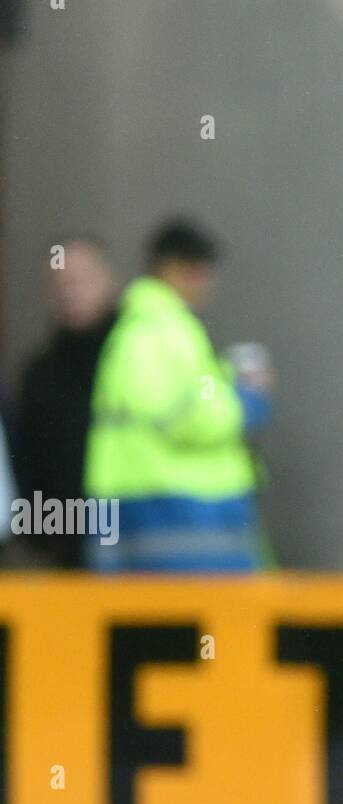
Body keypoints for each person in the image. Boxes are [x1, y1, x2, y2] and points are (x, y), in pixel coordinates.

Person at [85, 219, 270, 572]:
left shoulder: (143, 329)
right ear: (173, 270)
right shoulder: (160, 331)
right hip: (180, 521)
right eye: (199, 272)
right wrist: (244, 400)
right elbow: (186, 416)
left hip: (155, 516)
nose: (206, 284)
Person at [17, 236, 118, 566]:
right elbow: (28, 463)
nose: (71, 289)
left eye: (81, 278)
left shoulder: (135, 357)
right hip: (68, 547)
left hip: (137, 533)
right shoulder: (41, 374)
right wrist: (39, 537)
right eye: (62, 281)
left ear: (108, 280)